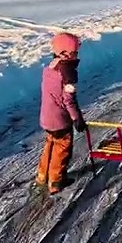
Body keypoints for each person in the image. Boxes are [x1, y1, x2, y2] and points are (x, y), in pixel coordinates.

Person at [36, 32, 88, 194]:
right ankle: (56, 181)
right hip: (60, 120)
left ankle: (42, 175)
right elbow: (68, 100)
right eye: (75, 52)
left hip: (46, 117)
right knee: (62, 147)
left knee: (50, 143)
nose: (77, 54)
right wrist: (77, 118)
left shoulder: (50, 67)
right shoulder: (68, 75)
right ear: (68, 53)